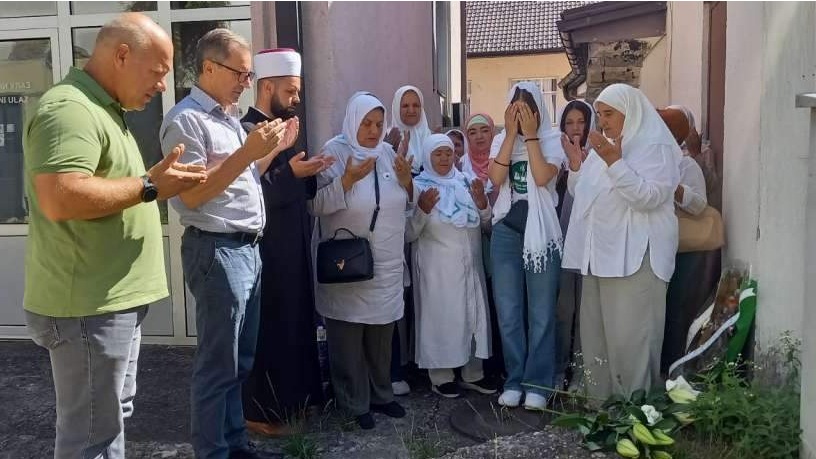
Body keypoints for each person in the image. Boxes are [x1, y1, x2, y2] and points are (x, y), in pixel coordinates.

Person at [22, 13, 207, 458]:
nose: (164, 85)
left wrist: (152, 183)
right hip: (88, 308)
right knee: (91, 437)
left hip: (108, 304)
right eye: (158, 71)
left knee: (108, 422)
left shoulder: (105, 110)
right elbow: (61, 196)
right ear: (122, 55)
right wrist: (149, 187)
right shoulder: (69, 110)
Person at [160, 29, 294, 459]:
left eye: (249, 73)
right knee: (217, 367)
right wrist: (249, 150)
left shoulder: (227, 117)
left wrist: (270, 151)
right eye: (240, 72)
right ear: (209, 68)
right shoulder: (186, 120)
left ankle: (234, 444)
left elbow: (242, 178)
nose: (245, 81)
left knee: (240, 362)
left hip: (246, 250)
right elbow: (192, 195)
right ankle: (212, 451)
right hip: (217, 251)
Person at [562, 83, 681, 400]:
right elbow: (584, 194)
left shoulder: (654, 147)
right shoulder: (607, 147)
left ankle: (635, 415)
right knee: (598, 337)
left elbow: (649, 197)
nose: (603, 121)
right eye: (599, 115)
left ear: (632, 110)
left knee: (631, 338)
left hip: (635, 258)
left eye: (609, 113)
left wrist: (615, 162)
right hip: (600, 255)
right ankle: (604, 410)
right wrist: (576, 167)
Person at [240, 49, 334, 436]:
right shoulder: (247, 130)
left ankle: (295, 403)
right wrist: (291, 173)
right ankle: (261, 414)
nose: (296, 100)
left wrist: (307, 173)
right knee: (270, 329)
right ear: (268, 87)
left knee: (295, 323)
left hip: (293, 245)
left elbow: (292, 184)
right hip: (264, 248)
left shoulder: (286, 127)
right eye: (291, 92)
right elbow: (244, 191)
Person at [309, 92, 414, 430]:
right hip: (347, 264)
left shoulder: (387, 153)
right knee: (348, 338)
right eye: (367, 123)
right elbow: (315, 205)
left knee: (381, 336)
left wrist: (406, 182)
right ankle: (353, 402)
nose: (373, 130)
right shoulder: (333, 153)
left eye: (379, 124)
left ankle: (382, 395)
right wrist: (348, 179)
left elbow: (404, 204)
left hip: (385, 263)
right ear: (353, 120)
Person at [488, 82, 565, 410]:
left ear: (538, 112)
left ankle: (538, 382)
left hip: (542, 233)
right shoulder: (499, 140)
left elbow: (542, 177)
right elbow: (494, 178)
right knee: (508, 312)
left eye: (526, 111)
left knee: (542, 312)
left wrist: (531, 136)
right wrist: (509, 135)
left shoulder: (552, 140)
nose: (520, 117)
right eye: (514, 111)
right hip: (506, 230)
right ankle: (514, 380)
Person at [407, 134, 497, 399]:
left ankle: (473, 373)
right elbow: (409, 234)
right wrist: (422, 209)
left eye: (448, 153)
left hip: (470, 266)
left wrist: (482, 204)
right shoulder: (418, 186)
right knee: (442, 319)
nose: (445, 158)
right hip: (437, 271)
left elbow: (486, 224)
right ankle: (441, 376)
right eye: (438, 154)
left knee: (472, 315)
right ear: (427, 156)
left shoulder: (467, 181)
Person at [657, 106, 714, 374]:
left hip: (683, 250)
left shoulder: (685, 164)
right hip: (655, 248)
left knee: (676, 311)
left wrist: (674, 188)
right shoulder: (650, 160)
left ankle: (670, 370)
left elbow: (699, 204)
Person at [384, 85, 433, 395]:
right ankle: (397, 363)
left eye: (416, 105)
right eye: (406, 105)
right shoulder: (387, 140)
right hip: (393, 229)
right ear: (396, 108)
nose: (412, 111)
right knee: (397, 298)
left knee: (423, 295)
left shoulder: (431, 141)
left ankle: (422, 360)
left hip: (426, 227)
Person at [555, 100, 594, 389]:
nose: (576, 128)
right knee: (562, 308)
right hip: (559, 240)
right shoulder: (553, 155)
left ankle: (582, 373)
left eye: (581, 121)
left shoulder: (599, 156)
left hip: (590, 243)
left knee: (586, 310)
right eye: (570, 122)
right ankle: (558, 370)